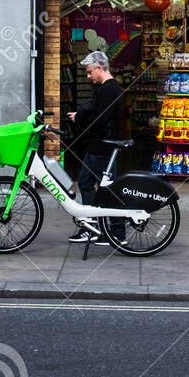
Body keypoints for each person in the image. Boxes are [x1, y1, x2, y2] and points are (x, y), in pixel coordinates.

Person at [67, 50, 125, 245]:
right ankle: (92, 227)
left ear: (100, 68)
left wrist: (80, 118)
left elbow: (101, 120)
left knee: (108, 189)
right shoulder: (106, 89)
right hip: (98, 146)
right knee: (85, 183)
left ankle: (116, 233)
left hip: (103, 147)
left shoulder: (109, 89)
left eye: (90, 71)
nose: (88, 76)